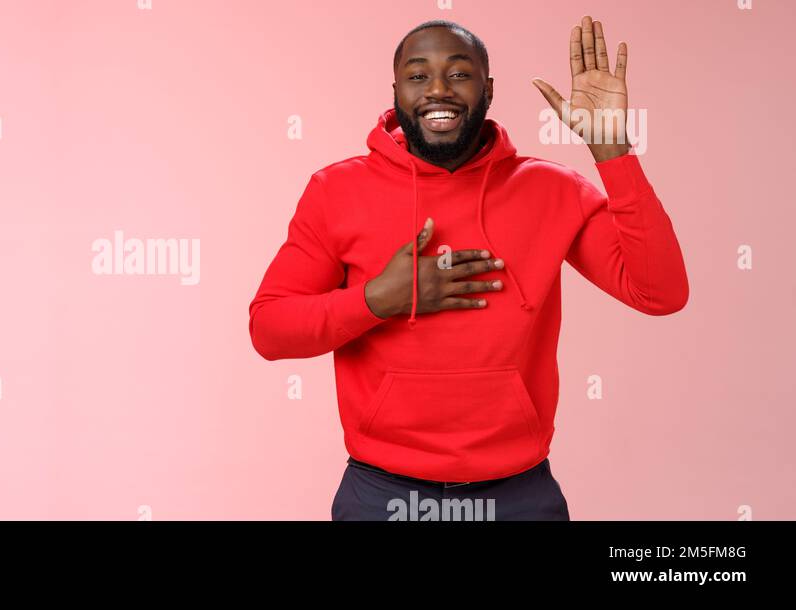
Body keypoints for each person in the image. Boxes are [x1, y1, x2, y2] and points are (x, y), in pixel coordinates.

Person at [247, 16, 688, 520]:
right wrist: (378, 299)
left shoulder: (553, 190)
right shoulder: (335, 191)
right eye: (418, 76)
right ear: (395, 91)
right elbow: (269, 329)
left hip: (518, 493)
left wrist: (613, 151)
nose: (439, 90)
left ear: (488, 89)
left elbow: (660, 293)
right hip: (382, 494)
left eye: (459, 74)